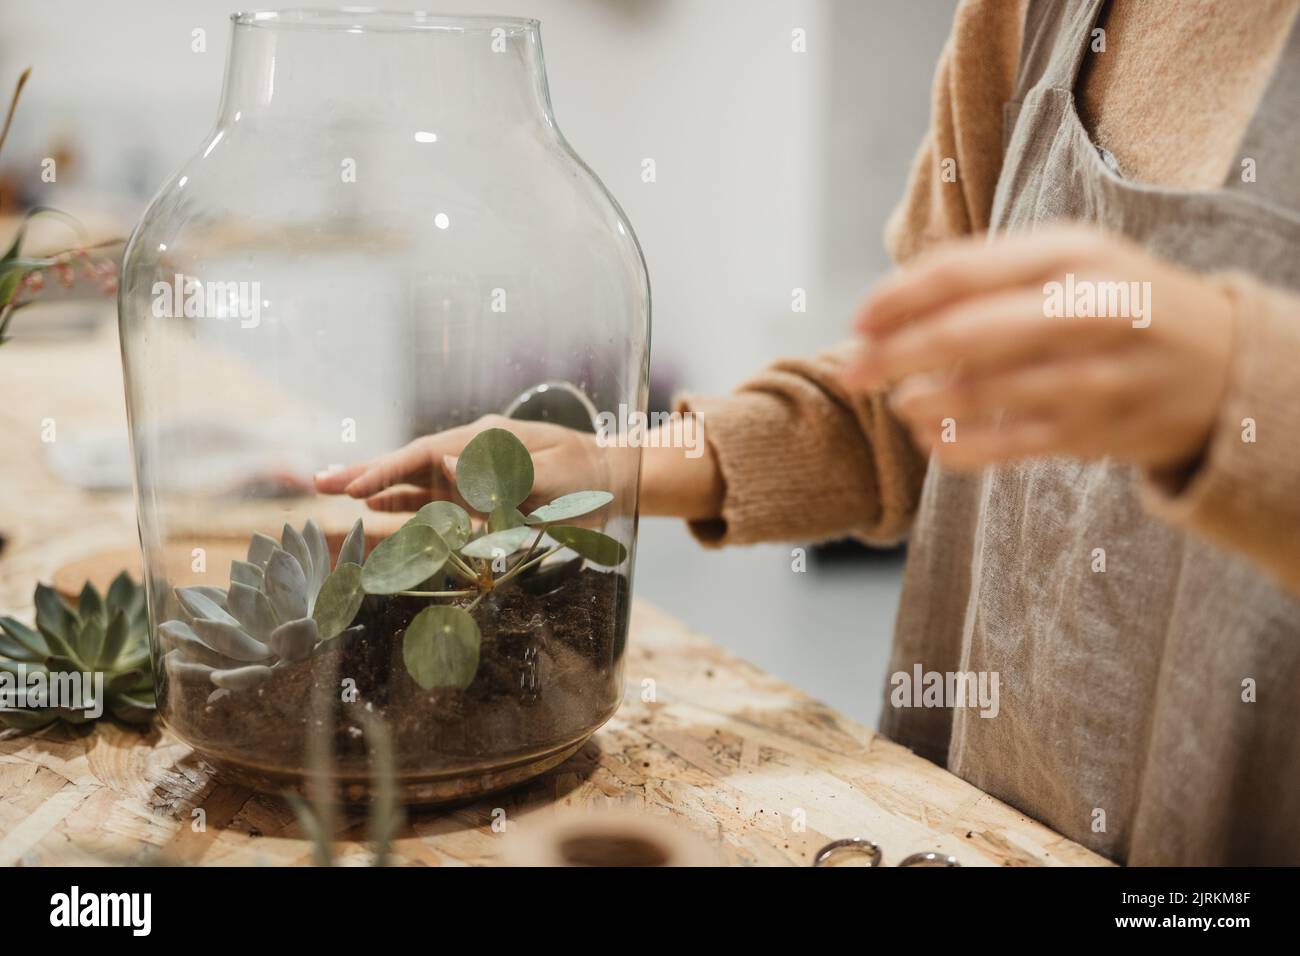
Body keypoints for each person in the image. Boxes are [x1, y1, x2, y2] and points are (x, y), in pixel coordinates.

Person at [318, 0, 1300, 865]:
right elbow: (916, 402)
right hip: (972, 816)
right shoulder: (1020, 16)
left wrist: (1239, 384)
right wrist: (613, 463)